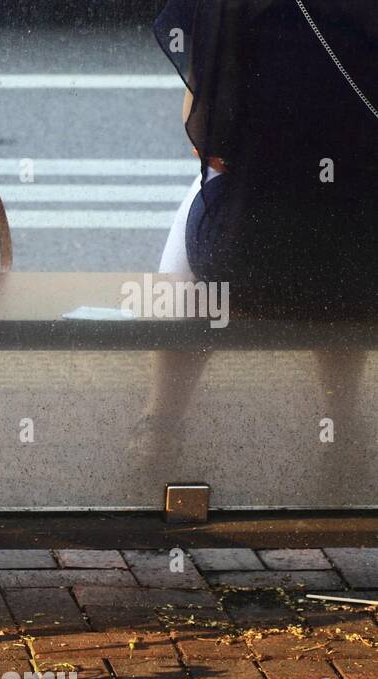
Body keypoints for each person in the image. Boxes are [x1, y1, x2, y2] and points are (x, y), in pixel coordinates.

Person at [143, 0, 378, 484]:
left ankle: (160, 423)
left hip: (249, 259)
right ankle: (343, 429)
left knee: (204, 199)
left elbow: (207, 138)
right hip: (363, 271)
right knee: (350, 219)